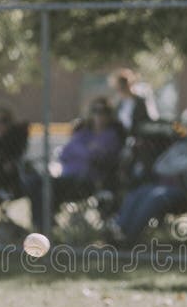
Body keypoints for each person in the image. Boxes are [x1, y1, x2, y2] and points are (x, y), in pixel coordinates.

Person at [110, 104, 187, 245]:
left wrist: (175, 165)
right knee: (138, 193)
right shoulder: (181, 146)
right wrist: (178, 165)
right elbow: (159, 166)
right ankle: (118, 229)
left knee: (155, 197)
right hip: (164, 186)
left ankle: (130, 237)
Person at [26, 97, 124, 231]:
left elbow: (97, 156)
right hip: (67, 176)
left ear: (110, 115)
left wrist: (81, 151)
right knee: (35, 182)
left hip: (87, 182)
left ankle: (45, 228)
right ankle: (42, 227)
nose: (99, 115)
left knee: (46, 186)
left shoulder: (112, 136)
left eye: (104, 111)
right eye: (96, 111)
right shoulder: (83, 132)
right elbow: (65, 153)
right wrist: (88, 149)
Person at [110, 68, 156, 135]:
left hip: (138, 136)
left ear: (129, 84)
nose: (121, 90)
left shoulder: (140, 101)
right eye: (118, 87)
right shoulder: (118, 104)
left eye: (123, 86)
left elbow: (148, 119)